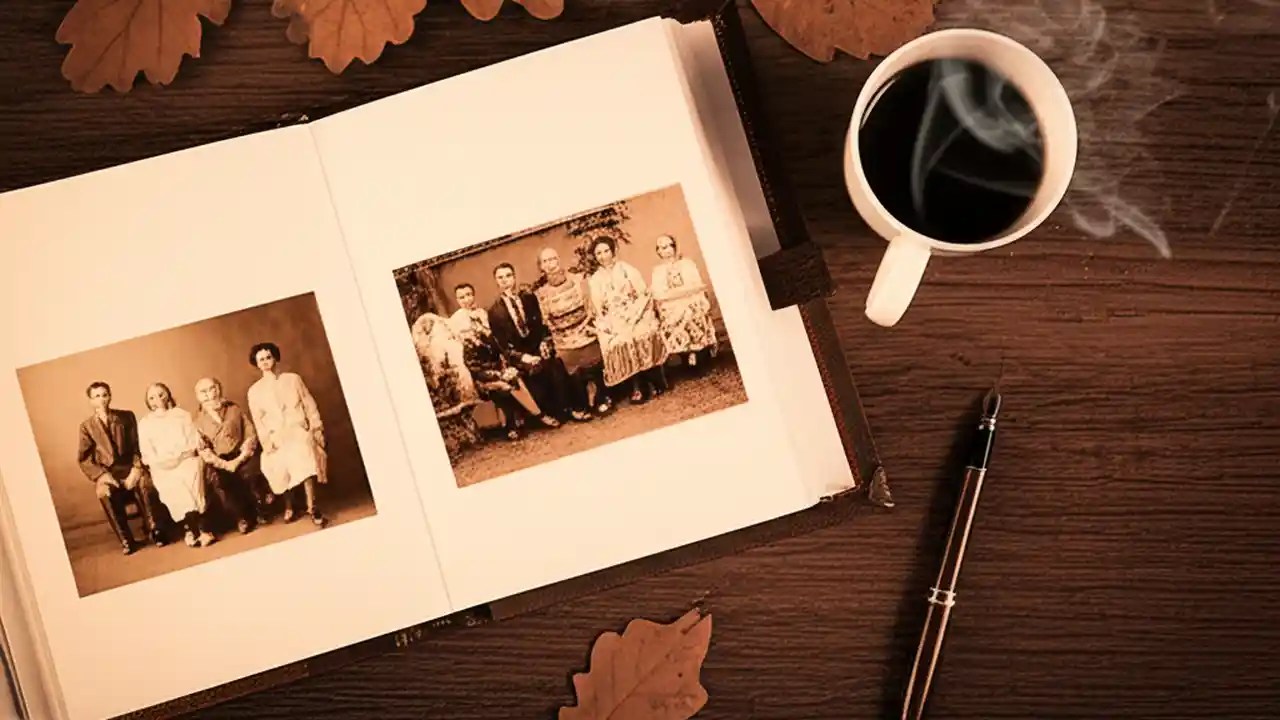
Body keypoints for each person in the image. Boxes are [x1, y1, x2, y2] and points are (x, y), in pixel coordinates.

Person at [75, 381, 166, 554]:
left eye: (105, 395)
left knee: (145, 483)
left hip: (130, 467)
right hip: (108, 473)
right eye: (97, 396)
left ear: (110, 396)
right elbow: (84, 458)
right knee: (103, 492)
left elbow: (138, 446)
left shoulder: (126, 417)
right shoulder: (86, 427)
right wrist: (102, 476)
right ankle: (126, 541)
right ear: (91, 401)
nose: (101, 400)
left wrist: (137, 468)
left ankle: (155, 530)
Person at [246, 342, 329, 527]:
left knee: (304, 454)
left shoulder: (293, 379)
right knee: (277, 463)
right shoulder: (255, 391)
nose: (266, 362)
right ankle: (289, 505)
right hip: (276, 436)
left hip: (297, 430)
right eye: (261, 360)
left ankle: (312, 505)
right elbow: (258, 421)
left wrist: (316, 428)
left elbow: (309, 404)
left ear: (275, 358)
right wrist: (267, 443)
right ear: (257, 364)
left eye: (268, 357)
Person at [488, 263, 576, 424]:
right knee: (535, 372)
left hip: (536, 347)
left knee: (556, 364)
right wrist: (522, 357)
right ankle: (545, 414)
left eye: (508, 276)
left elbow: (541, 326)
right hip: (519, 356)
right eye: (500, 278)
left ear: (514, 277)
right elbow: (502, 345)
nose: (505, 280)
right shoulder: (494, 312)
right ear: (496, 281)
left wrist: (544, 342)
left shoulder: (528, 298)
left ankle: (569, 408)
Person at [587, 235, 669, 403]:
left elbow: (642, 293)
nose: (603, 256)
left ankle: (655, 378)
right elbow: (599, 307)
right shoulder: (595, 279)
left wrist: (634, 312)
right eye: (599, 253)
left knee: (641, 331)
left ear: (613, 250)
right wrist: (607, 320)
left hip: (635, 311)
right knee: (620, 339)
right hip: (614, 317)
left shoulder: (626, 269)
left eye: (606, 251)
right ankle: (637, 385)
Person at [533, 247, 610, 416]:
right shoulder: (541, 293)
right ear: (541, 267)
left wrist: (584, 327)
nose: (550, 264)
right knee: (568, 361)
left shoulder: (577, 279)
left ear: (559, 260)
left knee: (592, 359)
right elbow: (548, 320)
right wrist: (561, 335)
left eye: (553, 259)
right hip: (563, 337)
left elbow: (590, 306)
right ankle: (582, 403)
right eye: (545, 261)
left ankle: (600, 398)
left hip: (584, 329)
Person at [138, 383, 213, 548]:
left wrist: (184, 455)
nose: (157, 400)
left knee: (191, 475)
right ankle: (196, 529)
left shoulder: (182, 415)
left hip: (187, 459)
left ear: (168, 395)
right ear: (148, 402)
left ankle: (199, 529)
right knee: (174, 484)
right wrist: (168, 461)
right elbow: (148, 454)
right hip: (163, 466)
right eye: (152, 397)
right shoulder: (145, 423)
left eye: (161, 394)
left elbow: (194, 440)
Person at [451, 306, 544, 441]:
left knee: (515, 378)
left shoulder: (490, 340)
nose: (477, 329)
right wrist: (498, 374)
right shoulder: (469, 347)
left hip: (500, 373)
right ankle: (514, 425)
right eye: (472, 327)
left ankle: (532, 416)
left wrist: (521, 359)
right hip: (483, 381)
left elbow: (505, 352)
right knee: (504, 387)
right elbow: (476, 371)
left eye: (479, 325)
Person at [193, 377, 271, 534]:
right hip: (220, 460)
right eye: (204, 392)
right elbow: (204, 450)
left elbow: (250, 432)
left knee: (251, 472)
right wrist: (224, 464)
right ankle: (241, 517)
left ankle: (260, 507)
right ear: (198, 397)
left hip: (241, 454)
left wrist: (242, 456)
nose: (210, 394)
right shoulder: (197, 421)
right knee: (222, 483)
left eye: (213, 388)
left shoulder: (234, 409)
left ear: (219, 389)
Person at [411, 311, 482, 459]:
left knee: (462, 396)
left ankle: (469, 431)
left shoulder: (443, 339)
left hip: (460, 375)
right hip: (456, 376)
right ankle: (466, 434)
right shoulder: (440, 340)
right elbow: (439, 365)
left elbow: (445, 362)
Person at [650, 234, 718, 371]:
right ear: (658, 251)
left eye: (670, 246)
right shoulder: (658, 271)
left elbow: (696, 286)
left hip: (690, 300)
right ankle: (686, 353)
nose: (667, 250)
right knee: (674, 314)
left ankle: (698, 352)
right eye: (663, 247)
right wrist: (674, 295)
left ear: (674, 247)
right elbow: (659, 293)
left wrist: (682, 293)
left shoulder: (687, 264)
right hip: (670, 305)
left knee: (689, 309)